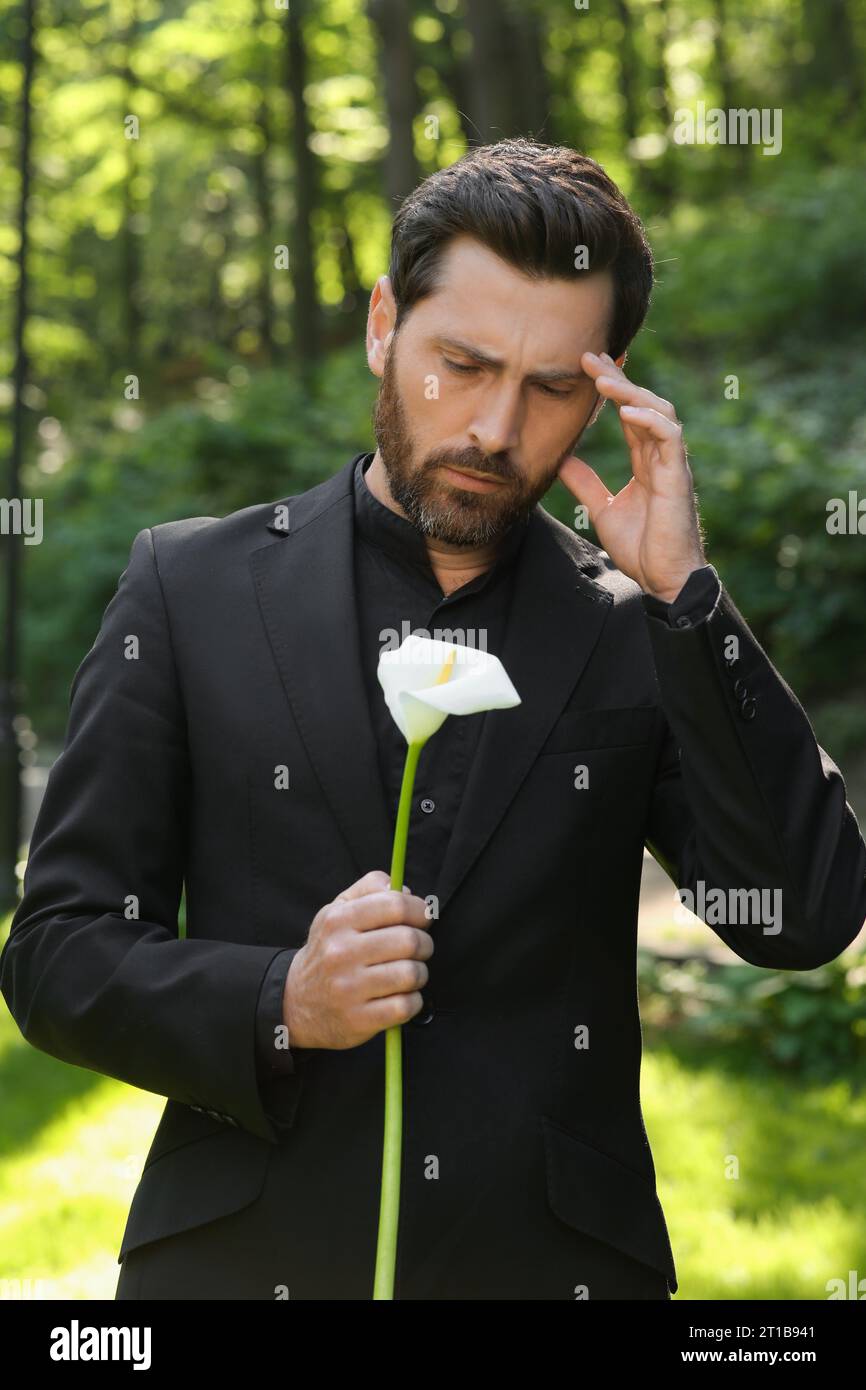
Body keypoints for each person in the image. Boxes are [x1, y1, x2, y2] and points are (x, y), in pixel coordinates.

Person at [2, 138, 864, 1301]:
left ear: (605, 391)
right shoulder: (187, 590)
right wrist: (278, 1000)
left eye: (550, 387)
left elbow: (801, 917)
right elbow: (58, 953)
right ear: (381, 325)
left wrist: (687, 602)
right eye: (458, 364)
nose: (494, 430)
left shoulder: (636, 626)